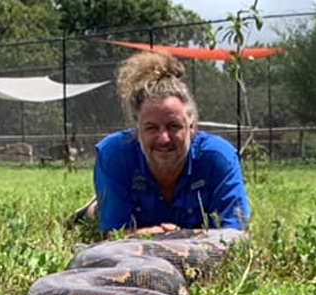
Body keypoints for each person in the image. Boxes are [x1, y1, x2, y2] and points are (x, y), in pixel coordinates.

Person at [68, 52, 248, 237]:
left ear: (192, 127)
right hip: (144, 224)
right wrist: (169, 236)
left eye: (173, 126)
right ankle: (90, 210)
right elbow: (114, 234)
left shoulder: (219, 158)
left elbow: (236, 234)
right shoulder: (114, 155)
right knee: (97, 217)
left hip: (179, 228)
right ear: (137, 131)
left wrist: (171, 236)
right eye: (151, 128)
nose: (164, 138)